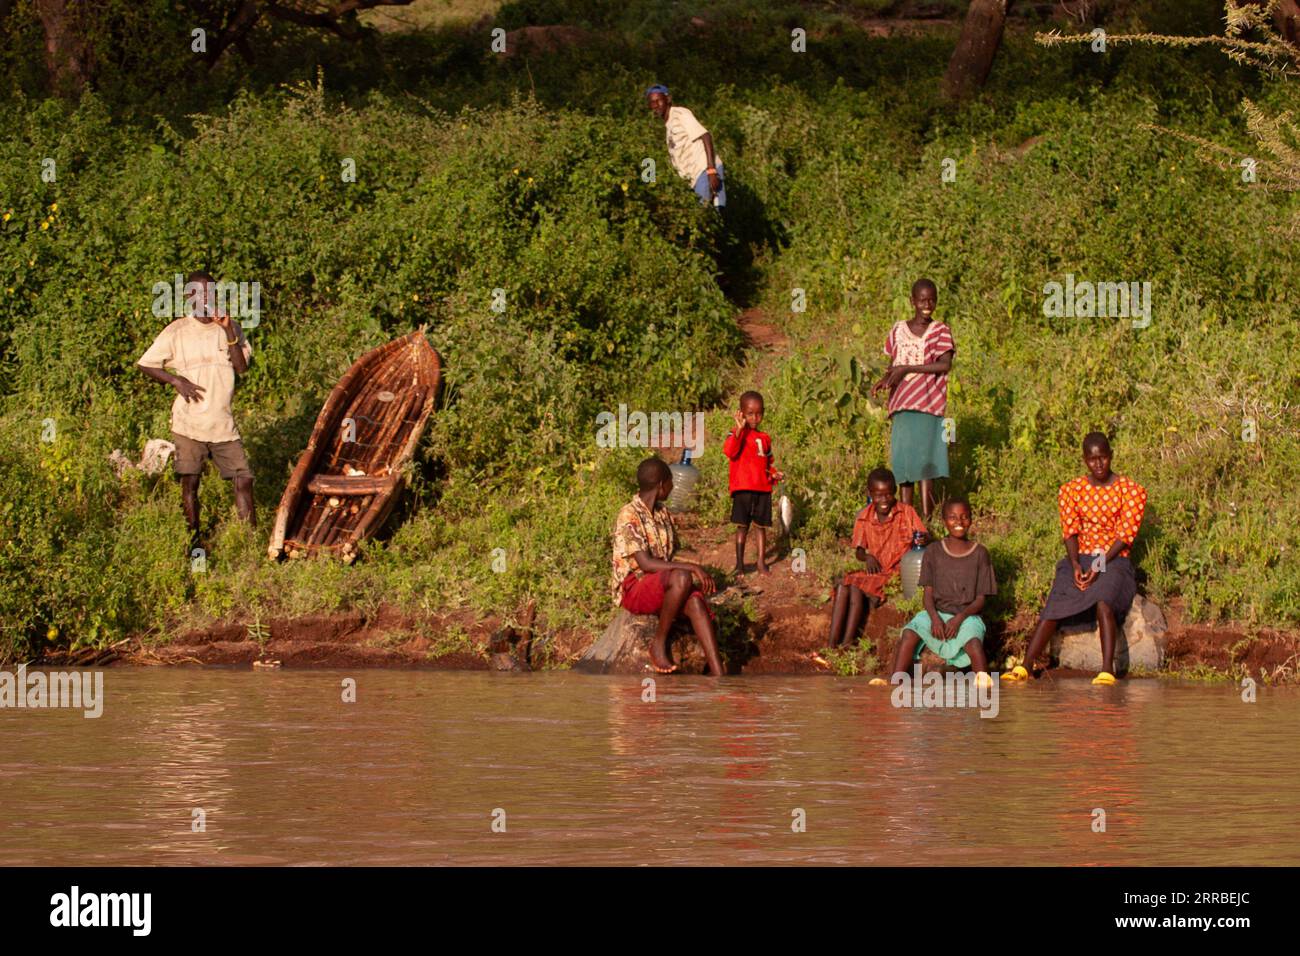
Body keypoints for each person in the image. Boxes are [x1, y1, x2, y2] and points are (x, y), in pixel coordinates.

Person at [1002, 432, 1147, 686]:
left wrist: (1097, 565)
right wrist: (1076, 564)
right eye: (1092, 459)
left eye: (1103, 458)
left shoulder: (1131, 491)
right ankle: (1025, 665)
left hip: (1114, 560)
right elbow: (1070, 531)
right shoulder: (1072, 490)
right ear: (1085, 460)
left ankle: (1106, 670)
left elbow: (1124, 537)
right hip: (1080, 557)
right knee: (1057, 599)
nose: (1098, 464)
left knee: (1104, 601)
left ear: (1111, 456)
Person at [138, 270, 254, 545]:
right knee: (190, 484)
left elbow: (242, 367)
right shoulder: (177, 331)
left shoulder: (231, 327)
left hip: (222, 424)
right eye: (200, 293)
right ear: (189, 296)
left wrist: (227, 331)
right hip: (189, 424)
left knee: (244, 480)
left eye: (212, 292)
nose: (207, 298)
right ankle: (193, 541)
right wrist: (176, 380)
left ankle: (248, 543)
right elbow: (146, 363)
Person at [611, 456, 726, 676]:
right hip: (635, 587)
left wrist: (690, 569)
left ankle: (719, 675)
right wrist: (693, 568)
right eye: (671, 482)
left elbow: (669, 558)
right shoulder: (629, 514)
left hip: (660, 585)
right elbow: (645, 563)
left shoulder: (663, 514)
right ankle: (658, 643)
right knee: (682, 577)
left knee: (696, 604)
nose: (674, 488)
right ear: (662, 484)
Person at [870, 497, 995, 688]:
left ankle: (984, 683)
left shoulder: (980, 554)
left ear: (971, 520)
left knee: (974, 644)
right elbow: (927, 595)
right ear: (944, 521)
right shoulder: (933, 551)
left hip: (967, 616)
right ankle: (895, 680)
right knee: (910, 633)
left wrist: (959, 618)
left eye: (964, 517)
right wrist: (935, 618)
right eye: (952, 518)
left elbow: (980, 600)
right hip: (936, 613)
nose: (959, 522)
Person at [817, 468, 928, 664]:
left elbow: (923, 537)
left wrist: (920, 542)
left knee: (857, 585)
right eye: (878, 495)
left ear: (894, 491)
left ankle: (847, 642)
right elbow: (859, 550)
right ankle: (832, 645)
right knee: (845, 585)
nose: (884, 500)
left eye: (888, 494)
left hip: (896, 571)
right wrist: (867, 557)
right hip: (874, 570)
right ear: (870, 494)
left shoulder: (907, 512)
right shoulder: (864, 516)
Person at [871, 278, 954, 519]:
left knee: (925, 464)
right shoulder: (898, 329)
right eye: (922, 300)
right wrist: (885, 379)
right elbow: (893, 363)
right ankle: (907, 518)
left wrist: (908, 369)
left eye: (932, 299)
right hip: (901, 404)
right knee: (904, 463)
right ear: (912, 301)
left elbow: (944, 364)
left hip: (928, 404)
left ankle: (926, 518)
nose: (927, 304)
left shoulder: (940, 330)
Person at [722, 390, 784, 575]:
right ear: (741, 413)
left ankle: (760, 562)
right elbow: (730, 452)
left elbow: (767, 462)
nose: (755, 418)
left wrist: (774, 474)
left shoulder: (764, 438)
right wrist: (739, 430)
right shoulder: (735, 434)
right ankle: (740, 565)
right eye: (750, 414)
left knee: (760, 527)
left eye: (758, 413)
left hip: (762, 490)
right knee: (742, 526)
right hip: (743, 490)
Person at [646, 83, 726, 208]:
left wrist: (711, 170)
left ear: (668, 99)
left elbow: (705, 136)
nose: (656, 105)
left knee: (704, 217)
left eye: (659, 100)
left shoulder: (679, 114)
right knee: (708, 218)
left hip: (704, 170)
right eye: (652, 102)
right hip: (694, 179)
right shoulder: (669, 125)